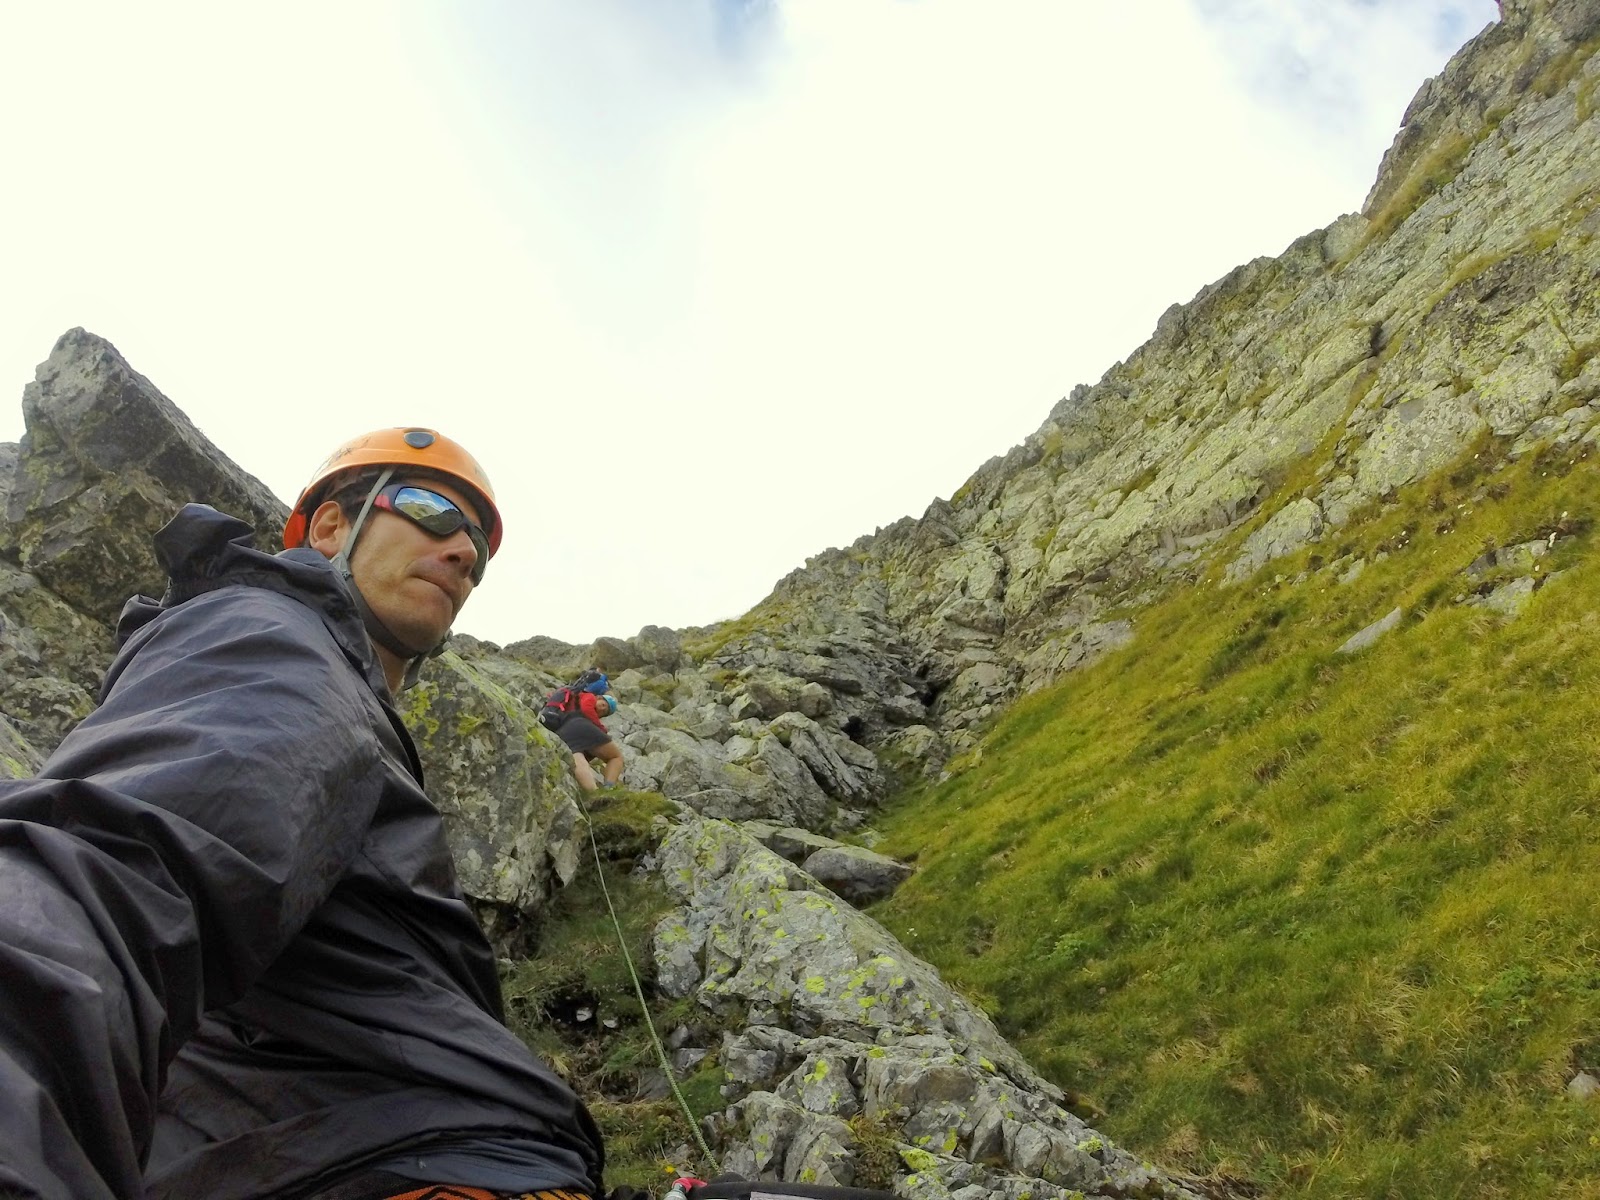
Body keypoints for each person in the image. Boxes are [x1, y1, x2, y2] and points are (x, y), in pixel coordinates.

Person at [0, 428, 607, 1200]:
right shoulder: (275, 637)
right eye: (430, 509)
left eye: (478, 554)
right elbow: (112, 869)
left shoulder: (327, 679)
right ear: (328, 526)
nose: (461, 554)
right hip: (402, 1160)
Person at [554, 688, 625, 791]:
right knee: (616, 757)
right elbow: (586, 709)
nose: (601, 710)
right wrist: (601, 729)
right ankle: (609, 788)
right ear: (599, 698)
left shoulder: (574, 701)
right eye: (603, 705)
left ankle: (593, 792)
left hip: (563, 730)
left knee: (578, 759)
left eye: (604, 712)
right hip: (581, 725)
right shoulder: (590, 697)